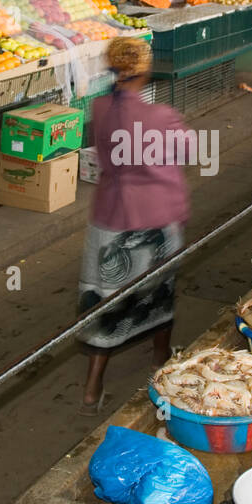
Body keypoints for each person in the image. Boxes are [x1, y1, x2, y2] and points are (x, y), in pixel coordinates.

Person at [78, 36, 190, 413]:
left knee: (107, 304)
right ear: (144, 70)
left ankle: (92, 388)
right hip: (154, 220)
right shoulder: (161, 118)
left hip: (110, 219)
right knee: (159, 294)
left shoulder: (99, 108)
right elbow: (187, 150)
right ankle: (160, 361)